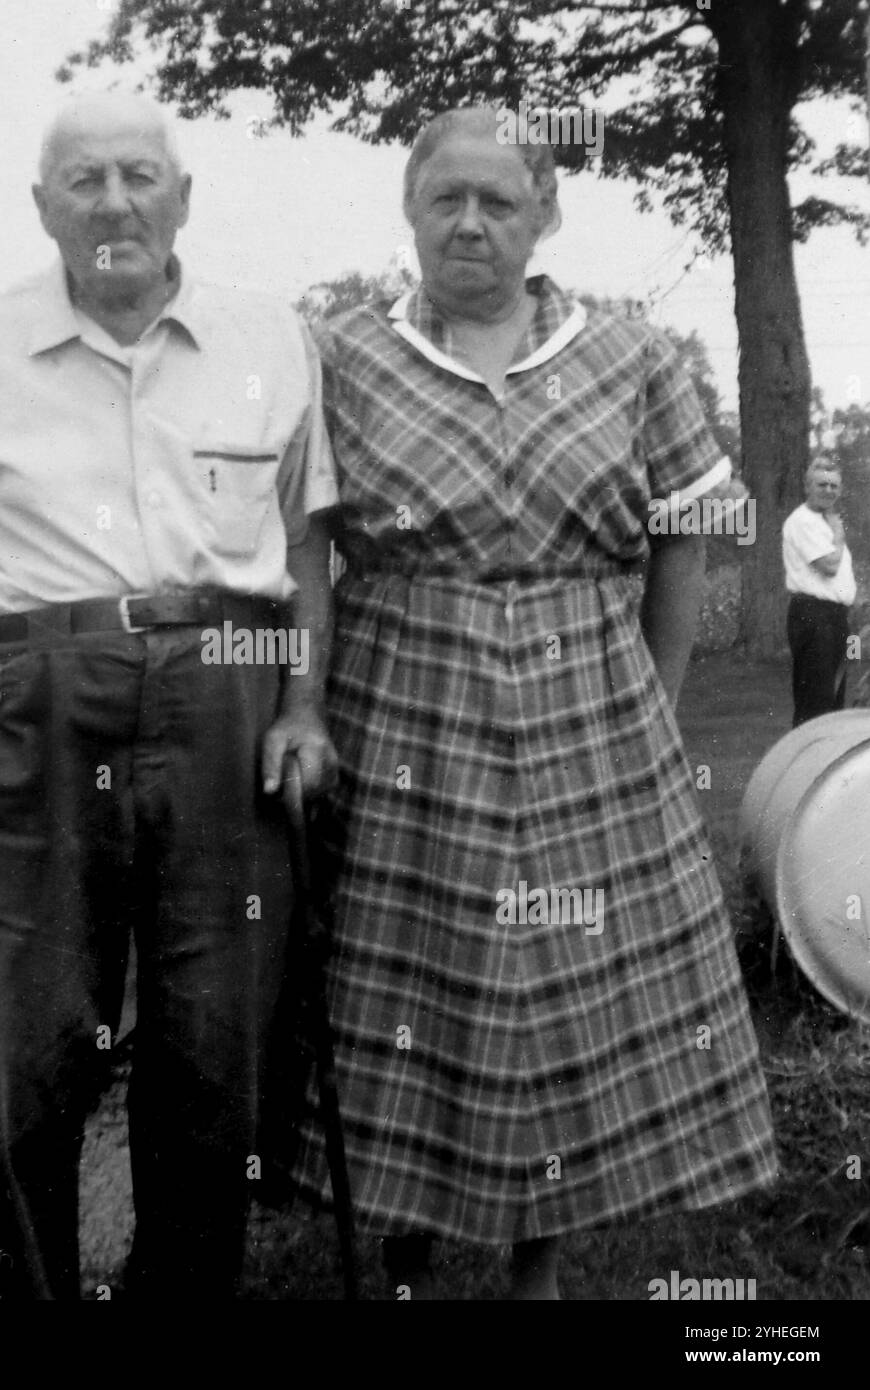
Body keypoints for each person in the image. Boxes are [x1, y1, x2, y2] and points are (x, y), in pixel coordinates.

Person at [291, 106, 777, 1299]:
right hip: (406, 700)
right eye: (444, 198)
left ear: (545, 214)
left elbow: (684, 541)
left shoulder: (630, 355)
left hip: (590, 708)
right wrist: (302, 700)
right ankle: (403, 1239)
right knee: (414, 974)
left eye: (497, 201)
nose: (469, 223)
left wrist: (657, 710)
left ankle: (537, 1264)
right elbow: (303, 540)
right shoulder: (343, 355)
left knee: (562, 986)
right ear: (410, 212)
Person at [0, 91, 337, 1300]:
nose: (114, 202)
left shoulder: (269, 340)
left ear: (185, 199)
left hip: (226, 699)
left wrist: (301, 708)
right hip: (27, 705)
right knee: (18, 1052)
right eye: (84, 182)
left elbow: (305, 548)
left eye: (139, 176)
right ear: (43, 207)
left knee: (216, 1046)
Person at [782, 457, 857, 726]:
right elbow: (829, 565)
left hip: (834, 617)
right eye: (821, 484)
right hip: (813, 617)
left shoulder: (827, 521)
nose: (828, 490)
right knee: (815, 700)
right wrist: (838, 537)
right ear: (807, 487)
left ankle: (826, 763)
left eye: (833, 485)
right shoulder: (803, 521)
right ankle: (806, 763)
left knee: (834, 698)